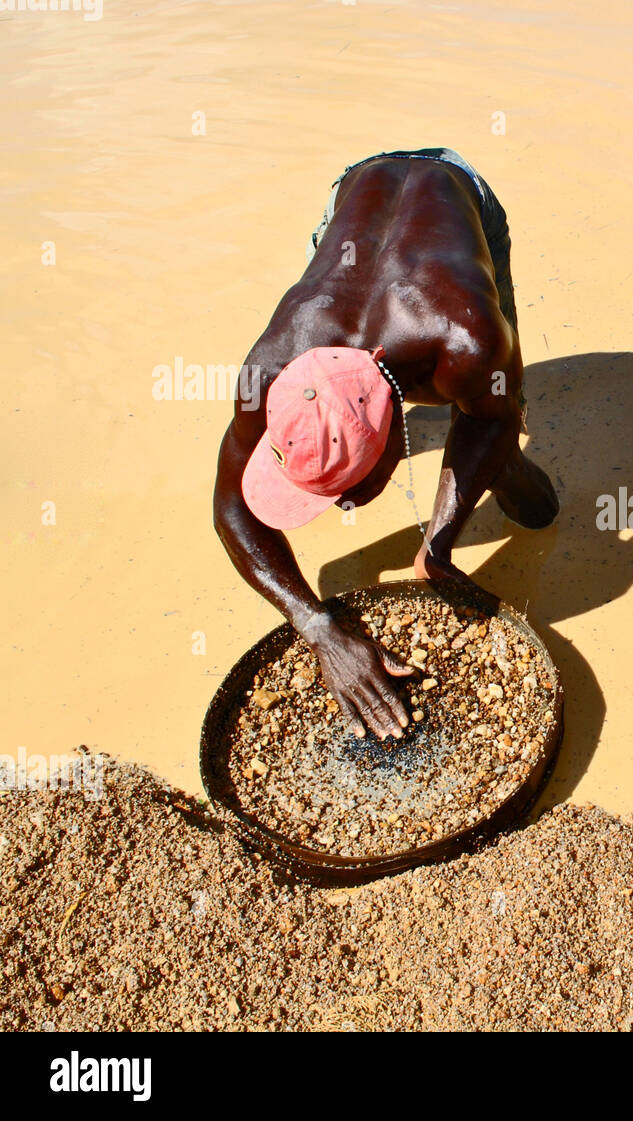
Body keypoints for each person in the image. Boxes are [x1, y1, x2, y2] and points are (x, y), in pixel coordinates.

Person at [213, 149, 558, 743]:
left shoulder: (466, 341)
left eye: (347, 492)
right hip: (360, 185)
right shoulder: (267, 372)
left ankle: (496, 456)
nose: (342, 510)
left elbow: (492, 420)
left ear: (396, 443)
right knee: (486, 424)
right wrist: (316, 625)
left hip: (458, 191)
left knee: (528, 486)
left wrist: (439, 544)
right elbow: (229, 507)